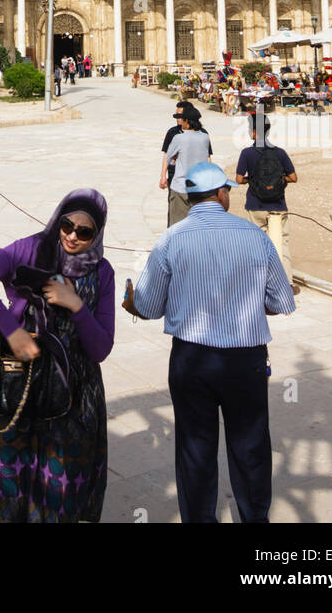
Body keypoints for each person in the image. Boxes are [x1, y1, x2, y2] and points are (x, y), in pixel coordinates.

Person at [124, 161, 295, 524]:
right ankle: (253, 517)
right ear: (221, 194)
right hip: (244, 361)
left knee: (195, 448)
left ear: (189, 197)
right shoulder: (254, 237)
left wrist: (130, 303)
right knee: (250, 446)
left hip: (191, 360)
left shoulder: (172, 238)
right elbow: (281, 302)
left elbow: (150, 306)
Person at [0, 189, 115, 523]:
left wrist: (75, 306)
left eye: (84, 232)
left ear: (97, 234)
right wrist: (9, 327)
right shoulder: (30, 248)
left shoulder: (102, 271)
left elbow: (101, 348)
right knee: (10, 477)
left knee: (58, 486)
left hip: (71, 393)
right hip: (17, 377)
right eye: (67, 225)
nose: (72, 235)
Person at [236, 113, 298, 290]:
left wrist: (253, 180)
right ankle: (287, 282)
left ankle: (260, 282)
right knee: (282, 242)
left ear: (255, 133)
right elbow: (293, 177)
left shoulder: (247, 153)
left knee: (258, 244)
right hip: (278, 205)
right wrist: (280, 181)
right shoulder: (279, 152)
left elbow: (239, 179)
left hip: (256, 205)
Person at [165, 104, 212, 226]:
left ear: (187, 121)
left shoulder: (179, 138)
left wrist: (176, 158)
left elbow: (169, 158)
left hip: (181, 187)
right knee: (196, 226)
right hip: (199, 188)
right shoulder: (205, 137)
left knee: (177, 227)